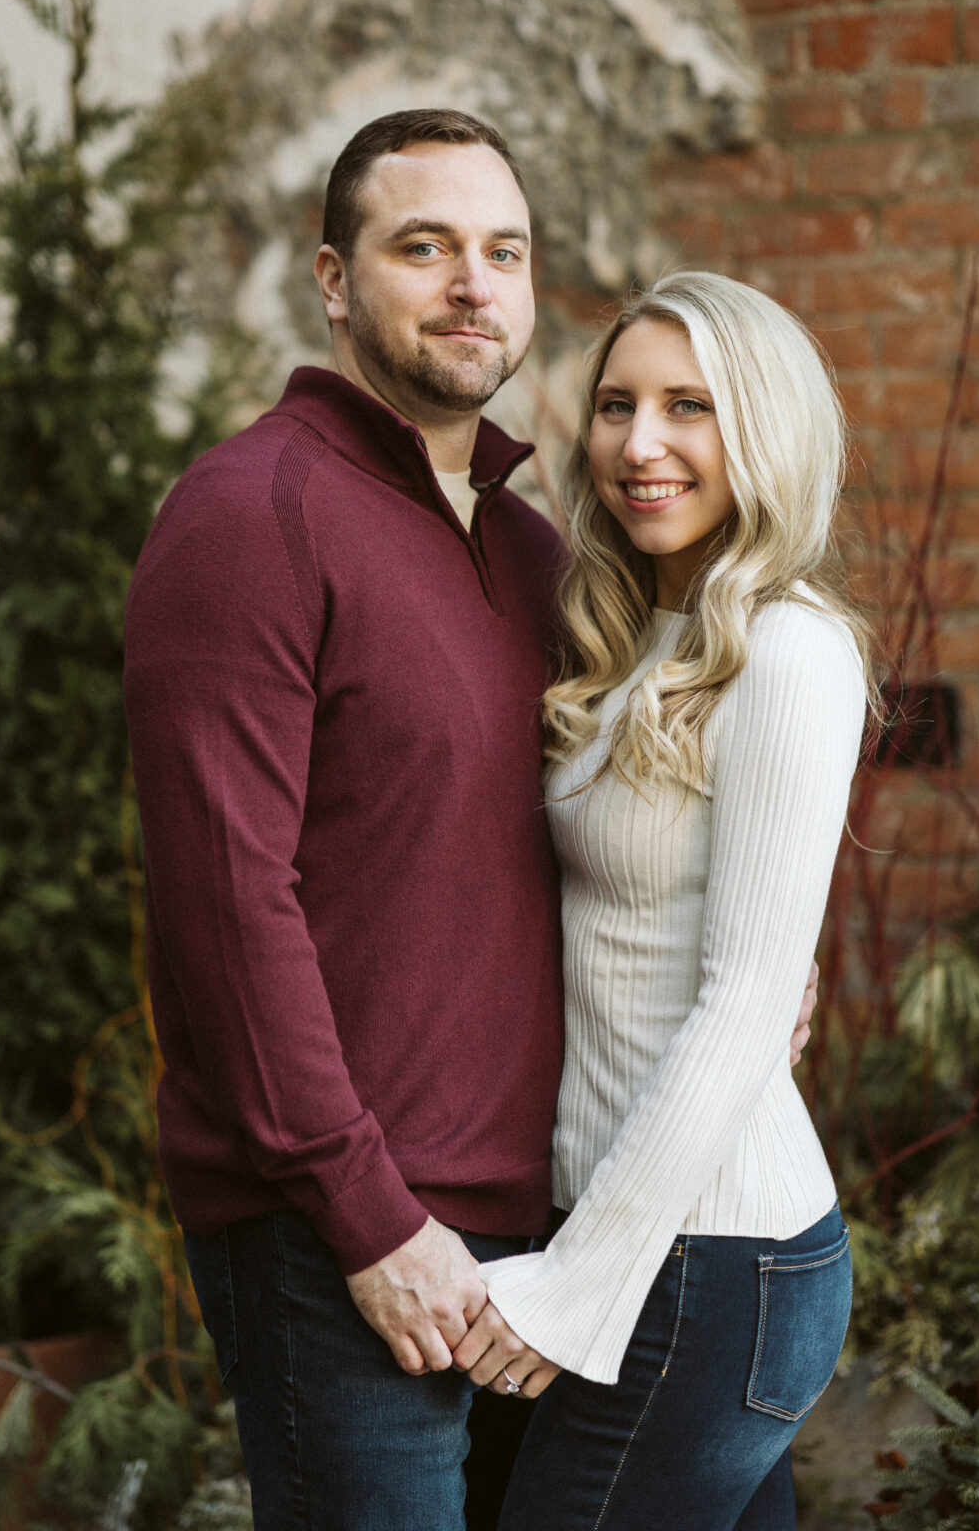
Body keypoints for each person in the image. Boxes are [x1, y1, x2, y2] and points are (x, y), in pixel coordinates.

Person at [123, 112, 816, 1531]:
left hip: (545, 1231)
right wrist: (368, 1220)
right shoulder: (253, 514)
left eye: (502, 251)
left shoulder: (535, 548)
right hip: (344, 1233)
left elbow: (621, 833)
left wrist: (758, 956)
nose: (470, 285)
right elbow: (223, 909)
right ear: (332, 279)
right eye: (420, 246)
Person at [451, 272, 874, 1531]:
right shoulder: (643, 635)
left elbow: (745, 1000)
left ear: (760, 427)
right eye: (618, 404)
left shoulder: (790, 650)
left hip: (711, 1260)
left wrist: (582, 1281)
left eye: (689, 407)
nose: (642, 445)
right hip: (646, 1234)